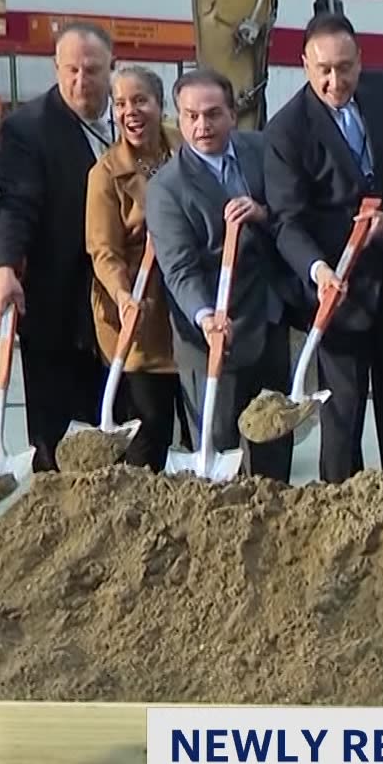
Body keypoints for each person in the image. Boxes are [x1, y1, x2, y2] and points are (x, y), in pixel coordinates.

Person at [264, 11, 383, 483]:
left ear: (360, 60)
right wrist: (318, 270)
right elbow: (286, 221)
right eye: (324, 70)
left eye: (345, 67)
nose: (336, 81)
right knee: (343, 412)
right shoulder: (286, 130)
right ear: (305, 64)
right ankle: (340, 506)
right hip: (338, 291)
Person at [146, 68, 297, 483]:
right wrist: (204, 314)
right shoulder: (167, 188)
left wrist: (263, 214)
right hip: (212, 333)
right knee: (220, 445)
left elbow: (290, 213)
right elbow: (178, 267)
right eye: (190, 115)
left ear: (233, 114)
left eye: (213, 114)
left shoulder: (261, 151)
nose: (202, 126)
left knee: (272, 438)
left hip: (266, 317)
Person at [0, 21, 117, 471]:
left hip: (127, 301)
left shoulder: (133, 119)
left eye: (93, 71)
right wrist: (3, 265)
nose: (82, 81)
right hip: (58, 301)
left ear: (112, 69)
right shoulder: (29, 128)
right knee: (58, 433)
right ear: (56, 68)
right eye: (72, 70)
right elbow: (14, 203)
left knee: (122, 423)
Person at [83, 64, 184, 471]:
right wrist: (123, 294)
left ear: (160, 105)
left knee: (200, 422)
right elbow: (103, 250)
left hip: (189, 306)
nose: (130, 112)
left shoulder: (184, 147)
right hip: (139, 312)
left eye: (140, 100)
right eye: (121, 103)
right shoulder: (106, 174)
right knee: (150, 426)